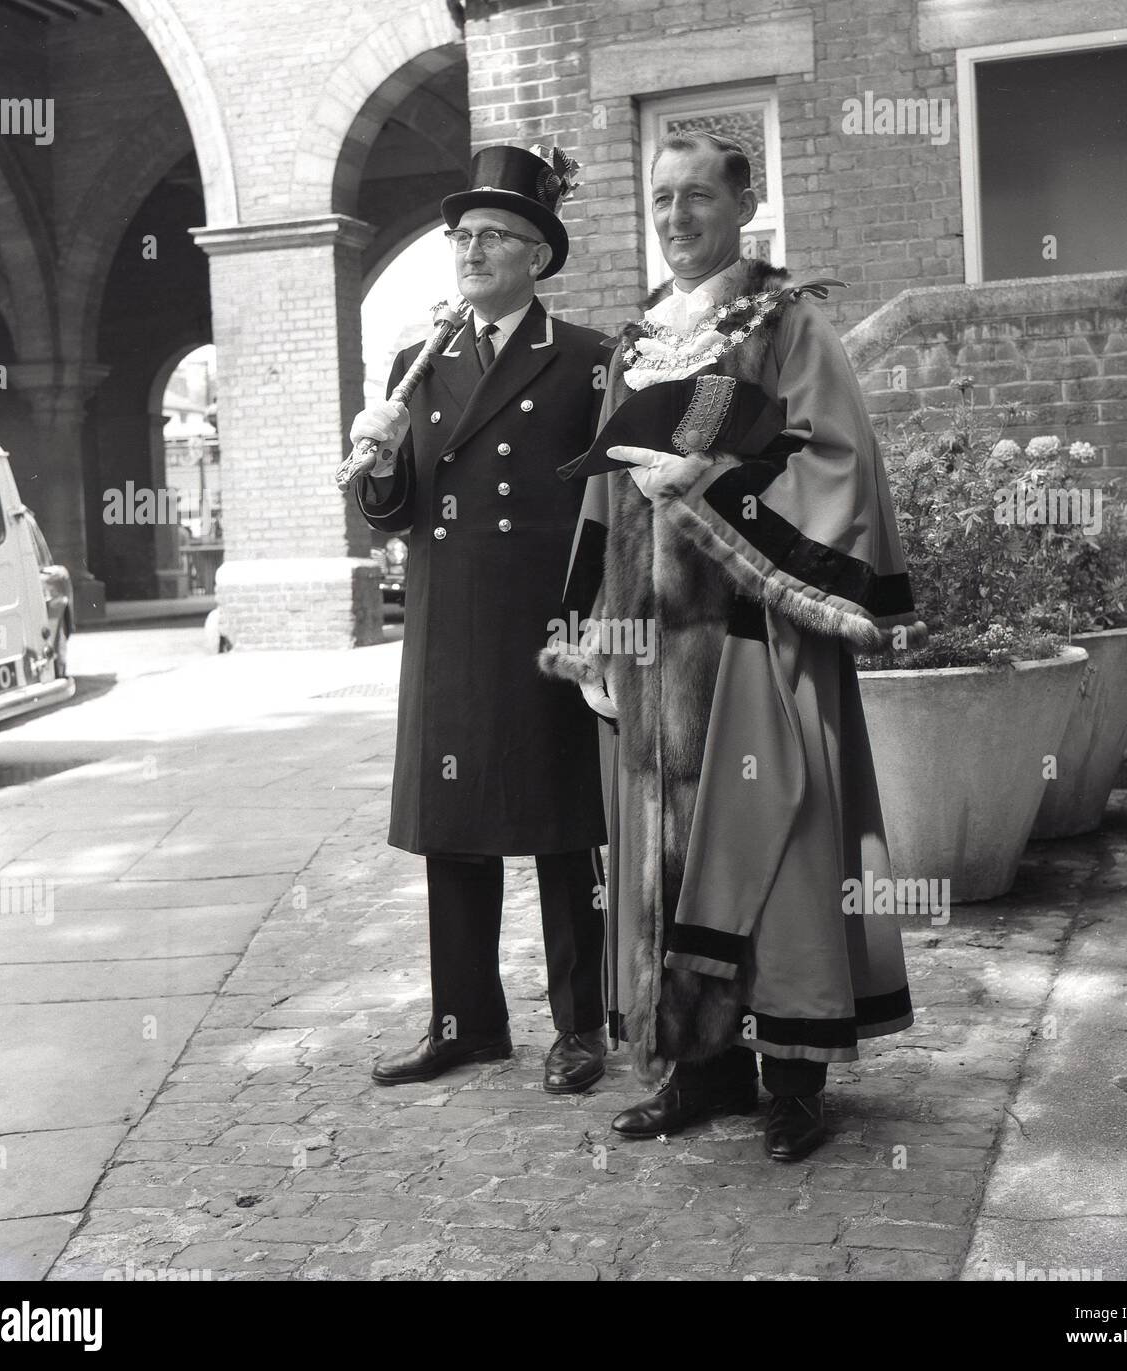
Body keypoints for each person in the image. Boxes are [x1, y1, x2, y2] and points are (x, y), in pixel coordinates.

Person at [542, 131, 928, 1161]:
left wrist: (707, 489)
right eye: (661, 198)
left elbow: (835, 463)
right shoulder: (636, 343)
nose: (676, 216)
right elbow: (598, 500)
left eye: (697, 196)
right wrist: (592, 629)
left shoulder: (786, 321)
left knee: (779, 848)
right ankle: (699, 1069)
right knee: (665, 862)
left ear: (744, 202)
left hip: (760, 636)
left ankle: (793, 1080)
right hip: (652, 648)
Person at [351, 144, 610, 1095]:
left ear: (537, 255)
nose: (468, 249)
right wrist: (382, 463)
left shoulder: (588, 359)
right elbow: (397, 511)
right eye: (462, 235)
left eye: (493, 235)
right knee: (453, 827)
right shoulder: (415, 364)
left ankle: (582, 1024)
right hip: (450, 620)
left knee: (560, 825)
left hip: (545, 624)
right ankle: (466, 1022)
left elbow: (610, 508)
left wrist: (601, 623)